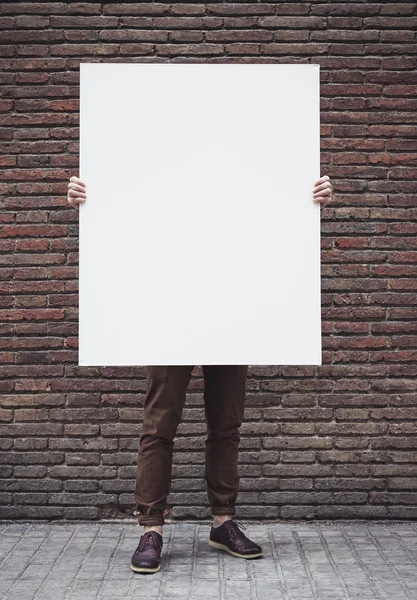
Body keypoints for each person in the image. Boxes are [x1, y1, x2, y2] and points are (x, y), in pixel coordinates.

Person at [67, 174, 333, 573]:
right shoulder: (157, 154)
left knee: (226, 425)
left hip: (231, 304)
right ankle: (151, 529)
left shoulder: (242, 154)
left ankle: (223, 524)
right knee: (159, 426)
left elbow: (263, 199)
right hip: (169, 304)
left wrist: (304, 199)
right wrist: (94, 201)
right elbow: (135, 197)